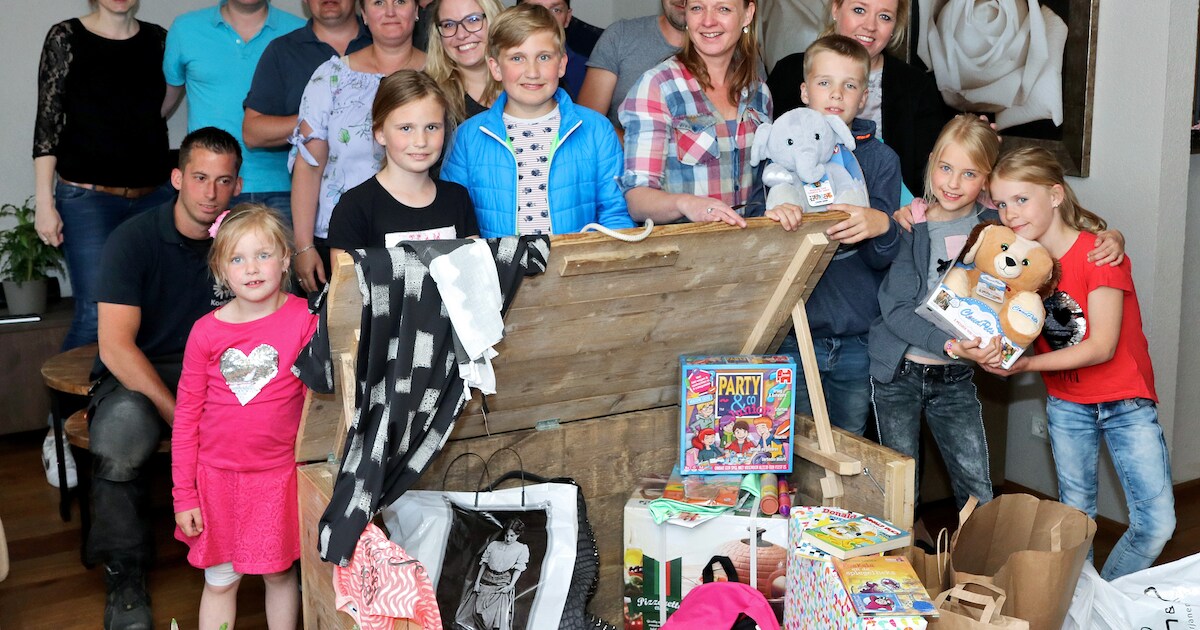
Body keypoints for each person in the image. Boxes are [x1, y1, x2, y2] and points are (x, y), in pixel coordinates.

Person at [983, 147, 1175, 580]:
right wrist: (981, 349)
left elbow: (1102, 346)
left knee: (1157, 525)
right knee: (1076, 526)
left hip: (1126, 403)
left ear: (1055, 195)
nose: (1010, 213)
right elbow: (1007, 327)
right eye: (1001, 203)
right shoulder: (1016, 266)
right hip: (1067, 405)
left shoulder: (1100, 255)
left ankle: (1102, 599)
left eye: (1021, 199)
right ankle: (1083, 612)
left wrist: (1025, 368)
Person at [89, 127, 242, 630]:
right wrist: (179, 416)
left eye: (222, 181)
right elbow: (115, 346)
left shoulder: (241, 243)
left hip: (220, 375)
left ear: (236, 187)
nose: (210, 192)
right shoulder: (133, 239)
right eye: (199, 177)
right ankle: (125, 574)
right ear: (177, 178)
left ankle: (273, 553)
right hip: (142, 370)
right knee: (120, 435)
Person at [32, 0, 179, 489]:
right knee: (95, 315)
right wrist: (43, 201)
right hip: (88, 199)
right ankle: (63, 431)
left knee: (153, 313)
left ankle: (131, 417)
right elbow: (48, 122)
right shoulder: (66, 37)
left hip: (154, 195)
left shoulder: (159, 39)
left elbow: (161, 107)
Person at [173, 203, 317, 630]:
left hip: (279, 478)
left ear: (286, 258)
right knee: (219, 579)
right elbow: (185, 419)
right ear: (220, 268)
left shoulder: (305, 320)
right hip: (215, 480)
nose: (251, 268)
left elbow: (322, 403)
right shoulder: (206, 332)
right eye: (237, 258)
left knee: (278, 573)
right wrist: (185, 495)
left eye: (263, 255)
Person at [867, 115, 1006, 510]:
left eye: (969, 174)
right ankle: (900, 567)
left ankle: (975, 571)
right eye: (946, 168)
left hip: (956, 378)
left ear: (986, 180)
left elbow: (1012, 294)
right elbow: (894, 310)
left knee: (977, 488)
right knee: (898, 493)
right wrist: (950, 345)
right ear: (931, 163)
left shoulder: (995, 229)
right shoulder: (912, 224)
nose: (953, 183)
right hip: (899, 374)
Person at [772, 35, 901, 436]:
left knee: (849, 447)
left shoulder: (880, 159)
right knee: (791, 449)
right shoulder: (781, 151)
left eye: (850, 85)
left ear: (864, 97)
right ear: (804, 91)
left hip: (858, 338)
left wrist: (883, 225)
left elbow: (882, 257)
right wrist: (775, 216)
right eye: (825, 83)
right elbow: (763, 250)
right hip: (794, 334)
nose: (836, 94)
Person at [441, 4, 634, 237]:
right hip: (498, 271)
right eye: (517, 58)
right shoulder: (468, 137)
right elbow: (454, 220)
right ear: (496, 68)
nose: (532, 72)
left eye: (543, 57)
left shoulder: (596, 130)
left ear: (561, 64)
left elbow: (615, 214)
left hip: (576, 269)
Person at [620, 0, 797, 230]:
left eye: (723, 8)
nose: (708, 20)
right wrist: (687, 204)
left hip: (752, 250)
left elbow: (768, 180)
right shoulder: (658, 86)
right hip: (683, 251)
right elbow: (637, 199)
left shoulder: (759, 92)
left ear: (747, 14)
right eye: (697, 8)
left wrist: (783, 203)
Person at [290, 0, 427, 294]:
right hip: (341, 238)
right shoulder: (330, 77)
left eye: (401, 2)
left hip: (425, 233)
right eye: (379, 2)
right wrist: (303, 247)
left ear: (417, 10)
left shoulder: (442, 73)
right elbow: (308, 165)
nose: (390, 12)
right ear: (363, 14)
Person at [767, 0, 949, 199]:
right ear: (836, 9)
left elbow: (929, 179)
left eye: (884, 17)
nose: (870, 26)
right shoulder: (789, 74)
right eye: (859, 10)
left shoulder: (917, 87)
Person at [164, 0, 305, 222]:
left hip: (284, 188)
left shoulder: (301, 31)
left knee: (282, 258)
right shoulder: (185, 29)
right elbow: (160, 106)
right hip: (210, 191)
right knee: (208, 258)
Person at [326, 70, 479, 257]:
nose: (421, 141)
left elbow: (473, 277)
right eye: (406, 128)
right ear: (380, 133)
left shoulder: (457, 198)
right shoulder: (354, 207)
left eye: (431, 127)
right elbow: (346, 283)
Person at [242, 0, 373, 152]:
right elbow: (252, 134)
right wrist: (317, 117)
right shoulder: (283, 51)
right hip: (310, 172)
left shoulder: (386, 41)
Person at [577, 0, 685, 130]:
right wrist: (636, 143)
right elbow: (587, 123)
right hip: (620, 148)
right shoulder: (620, 35)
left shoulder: (713, 49)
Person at [424, 0, 505, 124]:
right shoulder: (428, 95)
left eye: (473, 20)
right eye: (449, 25)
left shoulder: (529, 83)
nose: (461, 35)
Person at [516, 0, 587, 98]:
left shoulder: (585, 71)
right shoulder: (503, 64)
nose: (545, 18)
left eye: (556, 10)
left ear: (567, 18)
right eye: (533, 9)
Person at [472, 518, 529, 630]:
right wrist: (477, 583)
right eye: (506, 535)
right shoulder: (494, 545)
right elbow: (483, 563)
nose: (508, 538)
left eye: (512, 536)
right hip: (486, 581)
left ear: (518, 535)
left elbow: (519, 569)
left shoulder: (521, 548)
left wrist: (510, 586)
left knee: (495, 618)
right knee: (477, 613)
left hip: (502, 584)